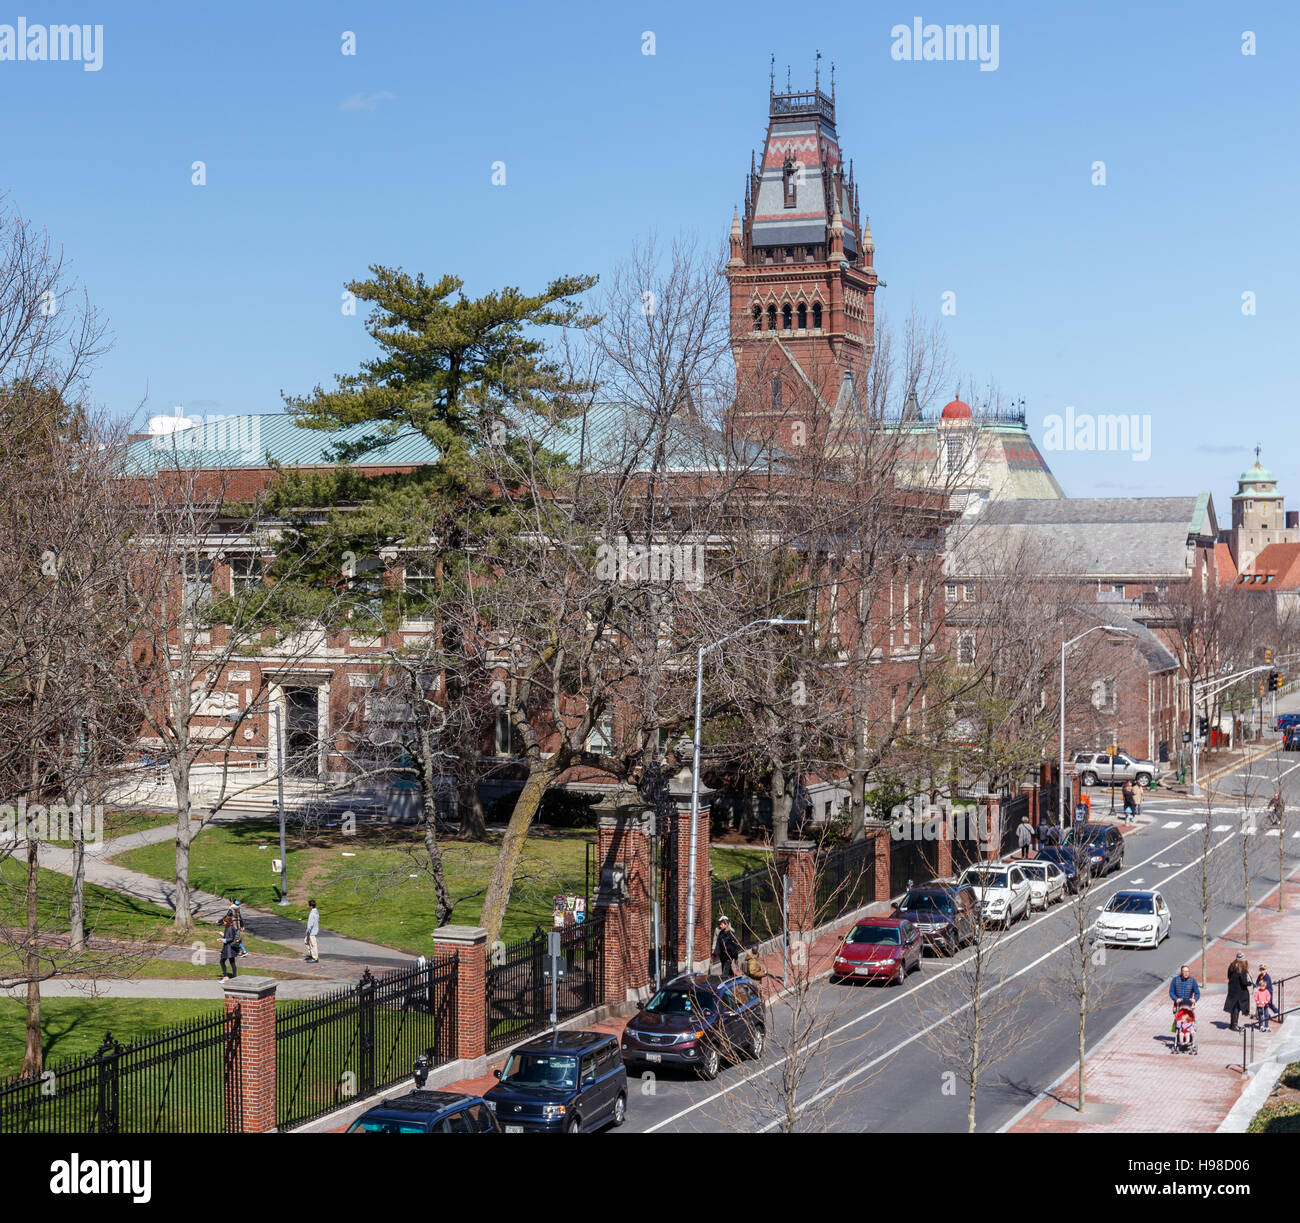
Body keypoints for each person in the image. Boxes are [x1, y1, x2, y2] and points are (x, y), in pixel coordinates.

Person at [1224, 952, 1253, 1032]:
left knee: (1233, 1006)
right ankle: (1235, 1025)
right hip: (1239, 991)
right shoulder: (1242, 969)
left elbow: (1228, 976)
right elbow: (1244, 982)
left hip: (1232, 989)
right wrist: (1249, 983)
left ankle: (1232, 1024)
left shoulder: (1231, 966)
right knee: (1237, 1007)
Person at [219, 915, 239, 980]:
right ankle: (234, 976)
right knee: (232, 962)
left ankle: (225, 976)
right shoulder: (228, 927)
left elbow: (231, 938)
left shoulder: (230, 928)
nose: (223, 923)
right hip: (229, 948)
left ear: (227, 921)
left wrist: (222, 940)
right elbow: (228, 936)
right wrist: (222, 935)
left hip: (228, 948)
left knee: (222, 961)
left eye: (224, 921)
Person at [304, 898, 320, 963]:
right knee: (306, 941)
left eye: (308, 905)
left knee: (313, 944)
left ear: (311, 906)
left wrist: (307, 930)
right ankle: (312, 954)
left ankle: (315, 958)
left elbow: (310, 924)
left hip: (311, 932)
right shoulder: (316, 912)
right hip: (313, 930)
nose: (307, 906)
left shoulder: (312, 914)